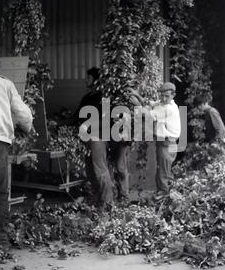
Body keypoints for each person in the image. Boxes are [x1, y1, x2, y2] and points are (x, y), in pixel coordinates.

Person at [0, 46, 33, 262]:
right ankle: (3, 244)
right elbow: (24, 115)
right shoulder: (5, 84)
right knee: (0, 194)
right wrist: (26, 129)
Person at [77, 68, 130, 209]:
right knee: (91, 171)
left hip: (99, 135)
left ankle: (108, 203)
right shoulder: (87, 98)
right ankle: (99, 199)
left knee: (103, 169)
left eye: (88, 78)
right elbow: (77, 116)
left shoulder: (105, 98)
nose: (85, 80)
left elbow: (107, 120)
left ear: (95, 80)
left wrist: (88, 125)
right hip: (88, 137)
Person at [127, 82, 181, 194]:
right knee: (163, 170)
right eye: (162, 95)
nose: (164, 98)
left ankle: (164, 199)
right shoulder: (162, 103)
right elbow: (150, 103)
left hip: (167, 143)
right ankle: (164, 197)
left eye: (167, 96)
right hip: (164, 142)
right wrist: (137, 94)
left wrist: (136, 104)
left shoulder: (168, 108)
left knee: (163, 173)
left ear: (173, 95)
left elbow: (147, 114)